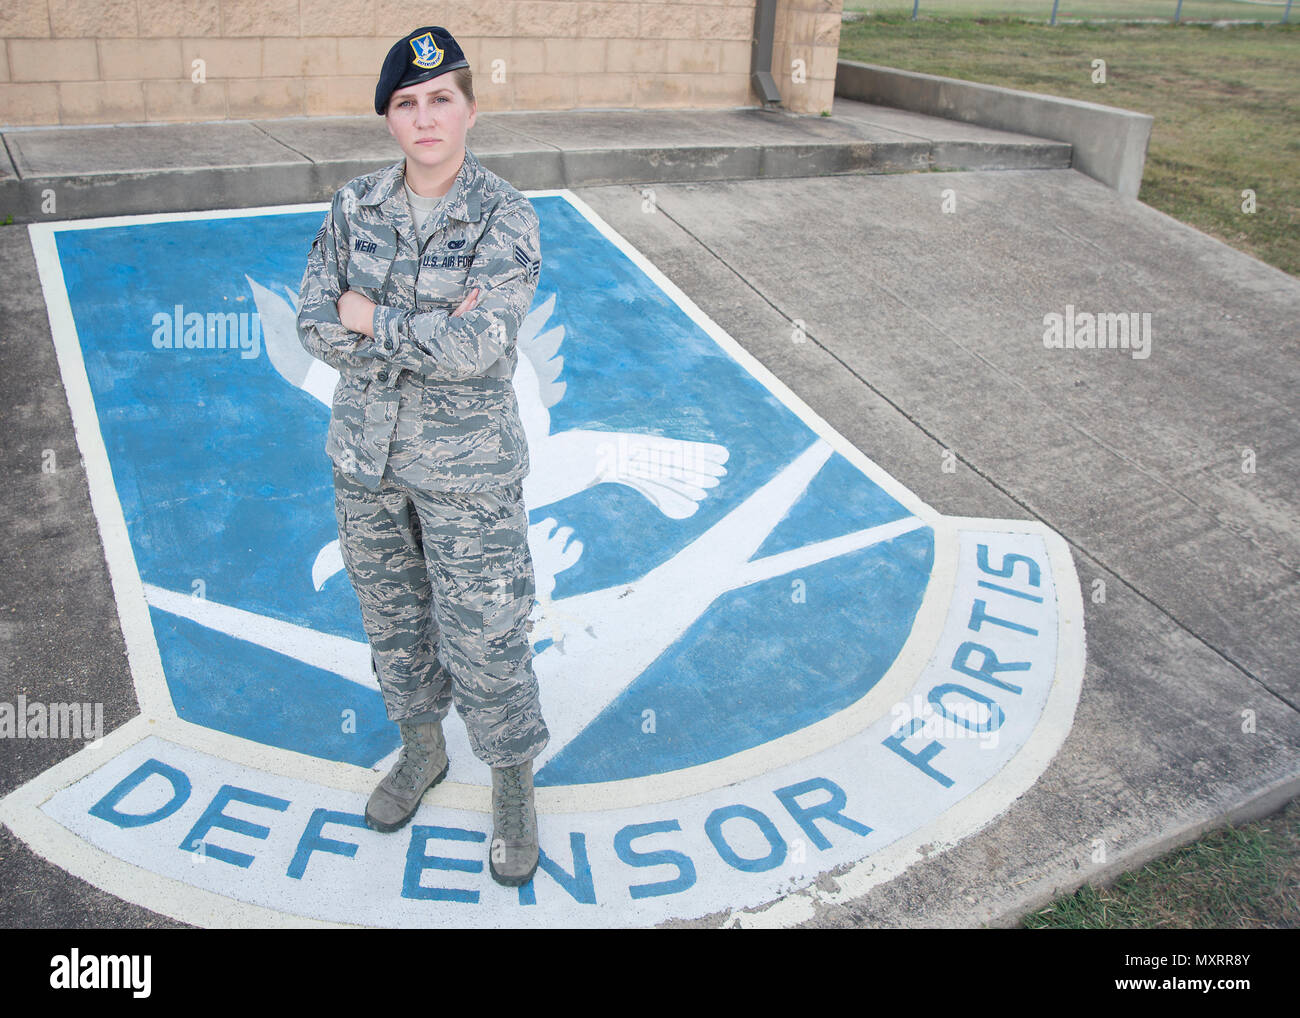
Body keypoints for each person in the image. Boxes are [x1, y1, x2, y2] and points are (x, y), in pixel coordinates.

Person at [295, 25, 548, 887]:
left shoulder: (506, 216)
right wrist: (425, 331)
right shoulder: (353, 204)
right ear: (390, 119)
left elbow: (481, 345)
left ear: (470, 109)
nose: (425, 116)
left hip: (468, 471)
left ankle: (511, 782)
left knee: (486, 631)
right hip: (364, 461)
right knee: (395, 625)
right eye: (407, 103)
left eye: (441, 98)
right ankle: (422, 751)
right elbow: (313, 320)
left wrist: (372, 318)